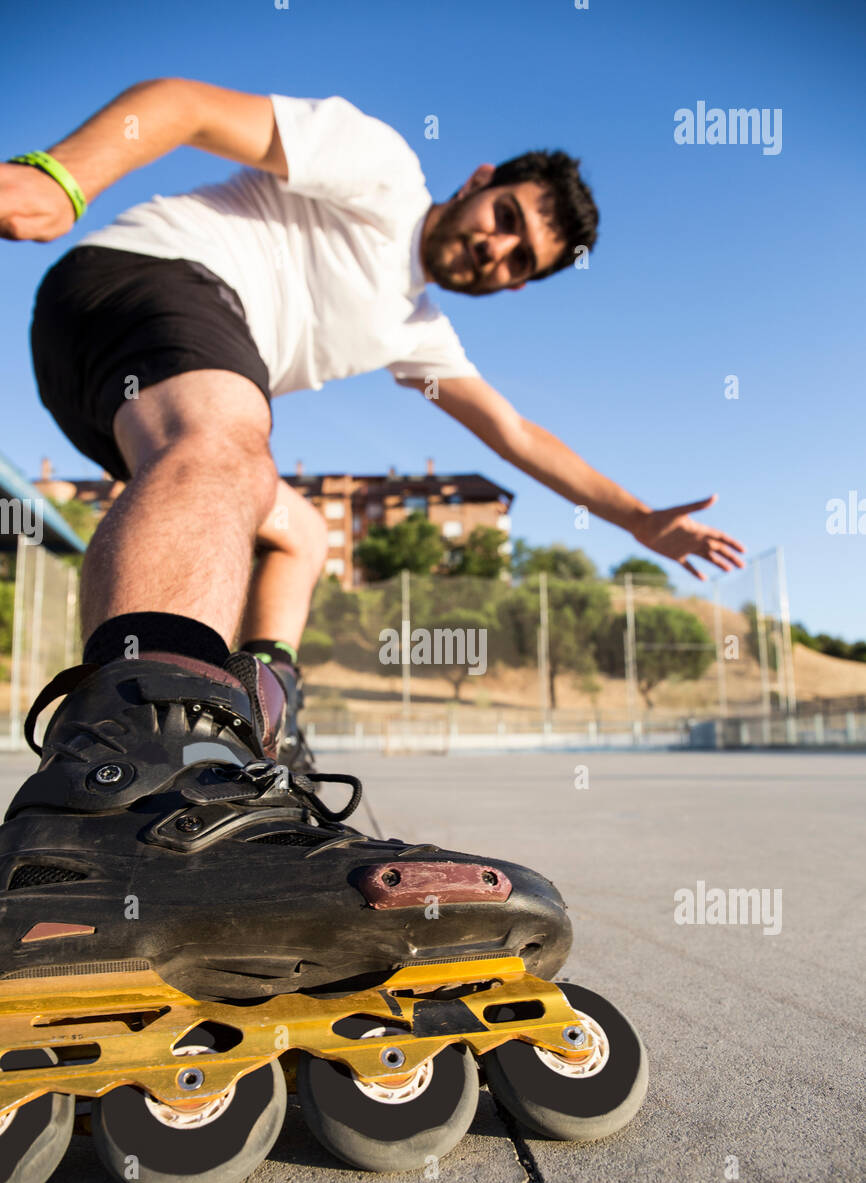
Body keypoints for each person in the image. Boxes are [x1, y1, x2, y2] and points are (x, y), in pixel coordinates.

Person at [0, 78, 744, 727]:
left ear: (516, 287)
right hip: (138, 281)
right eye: (506, 219)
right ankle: (137, 729)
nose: (497, 249)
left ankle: (258, 725)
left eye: (520, 261)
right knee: (230, 440)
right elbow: (186, 105)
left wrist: (638, 518)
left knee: (301, 536)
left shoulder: (416, 332)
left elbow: (514, 432)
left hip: (110, 399)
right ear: (479, 180)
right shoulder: (383, 168)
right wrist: (61, 179)